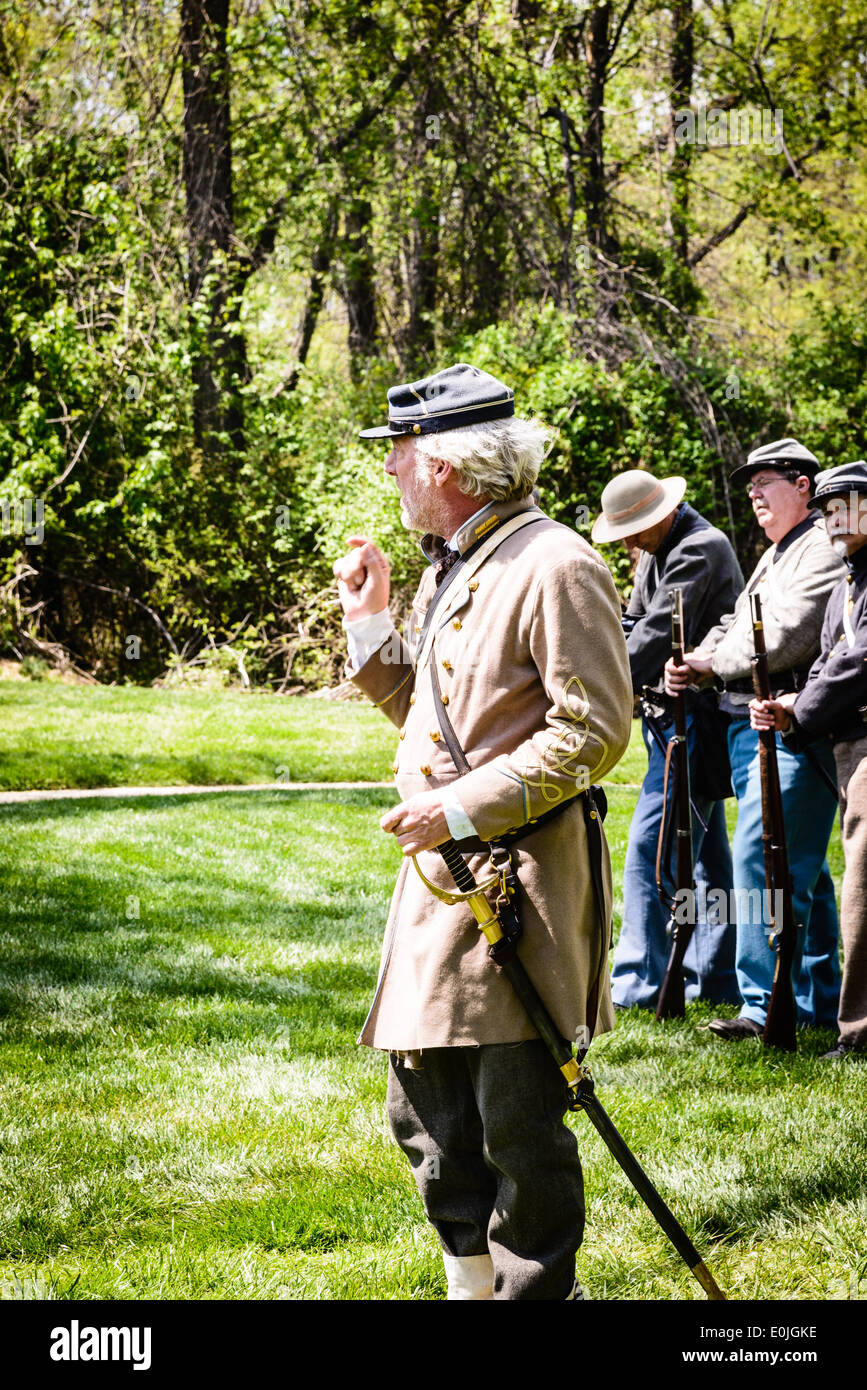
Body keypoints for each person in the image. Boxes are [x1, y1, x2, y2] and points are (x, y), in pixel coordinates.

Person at [333, 362, 632, 1300]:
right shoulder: (464, 561)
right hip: (446, 886)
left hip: (522, 885)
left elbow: (593, 731)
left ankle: (536, 1292)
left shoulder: (556, 563)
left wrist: (457, 810)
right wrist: (370, 621)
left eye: (400, 453)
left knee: (515, 1124)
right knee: (426, 1114)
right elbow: (439, 713)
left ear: (453, 465)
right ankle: (471, 1288)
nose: (390, 471)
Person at [665, 438, 845, 1039]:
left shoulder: (818, 549)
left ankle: (763, 1006)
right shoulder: (779, 552)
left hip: (791, 722)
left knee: (761, 860)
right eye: (750, 485)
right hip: (757, 722)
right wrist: (697, 657)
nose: (753, 494)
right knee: (804, 872)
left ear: (803, 486)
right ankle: (820, 1000)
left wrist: (712, 663)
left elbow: (785, 634)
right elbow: (737, 621)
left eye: (765, 481)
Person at [592, 470, 744, 1010]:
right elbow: (635, 622)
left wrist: (597, 687)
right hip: (676, 719)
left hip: (694, 722)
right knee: (706, 860)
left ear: (659, 516)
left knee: (651, 851)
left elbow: (653, 636)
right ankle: (715, 975)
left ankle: (637, 981)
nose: (629, 543)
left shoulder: (698, 548)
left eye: (633, 531)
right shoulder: (662, 548)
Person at [750, 461, 867, 1060]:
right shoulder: (851, 579)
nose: (833, 519)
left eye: (847, 505)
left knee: (863, 887)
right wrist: (791, 703)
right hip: (849, 743)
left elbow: (859, 661)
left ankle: (858, 1032)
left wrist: (801, 709)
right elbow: (828, 658)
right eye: (826, 510)